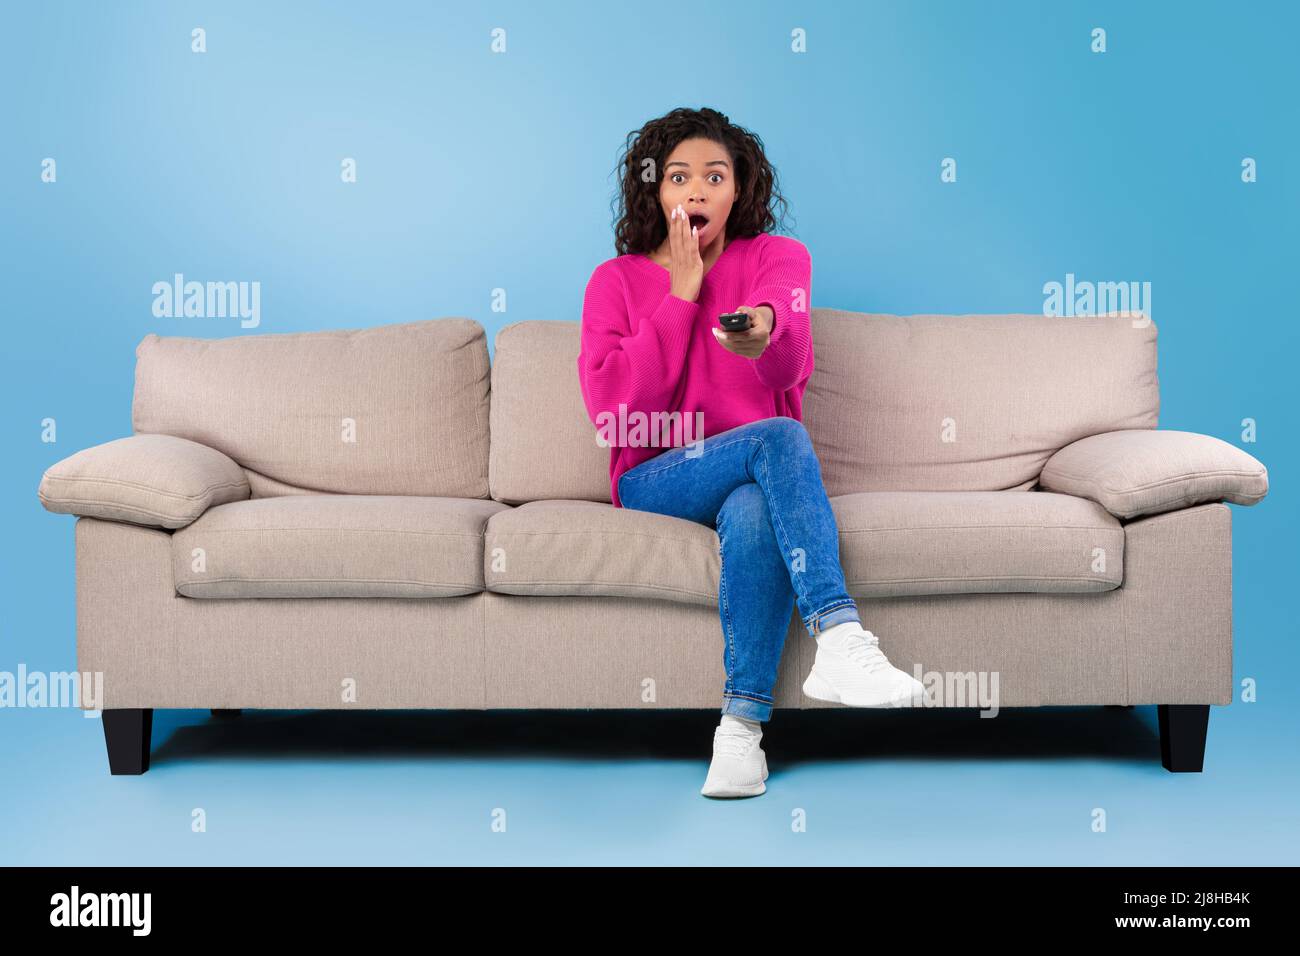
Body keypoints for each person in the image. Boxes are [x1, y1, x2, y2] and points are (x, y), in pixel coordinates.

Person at [578, 107, 924, 798]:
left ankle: (740, 735)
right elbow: (619, 416)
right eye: (680, 177)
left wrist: (763, 330)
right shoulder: (615, 281)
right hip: (655, 477)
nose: (698, 190)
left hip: (752, 479)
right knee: (781, 436)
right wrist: (681, 296)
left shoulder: (776, 258)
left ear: (740, 190)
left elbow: (786, 348)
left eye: (715, 176)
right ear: (657, 193)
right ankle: (839, 633)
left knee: (753, 510)